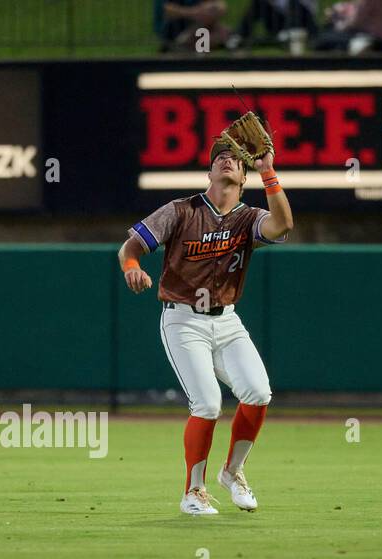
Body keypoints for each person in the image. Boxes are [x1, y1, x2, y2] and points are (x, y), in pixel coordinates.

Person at [117, 139, 293, 515]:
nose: (227, 161)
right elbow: (129, 248)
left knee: (259, 393)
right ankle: (192, 492)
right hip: (182, 320)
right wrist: (132, 268)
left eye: (234, 160)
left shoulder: (249, 218)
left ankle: (232, 472)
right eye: (220, 158)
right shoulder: (181, 210)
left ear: (243, 177)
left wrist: (268, 171)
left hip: (226, 321)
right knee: (208, 403)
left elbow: (282, 226)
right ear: (210, 172)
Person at [154, 0, 231, 52]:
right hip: (175, 28)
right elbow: (166, 10)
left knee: (225, 33)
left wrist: (213, 10)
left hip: (200, 26)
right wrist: (194, 13)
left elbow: (221, 6)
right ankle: (181, 46)